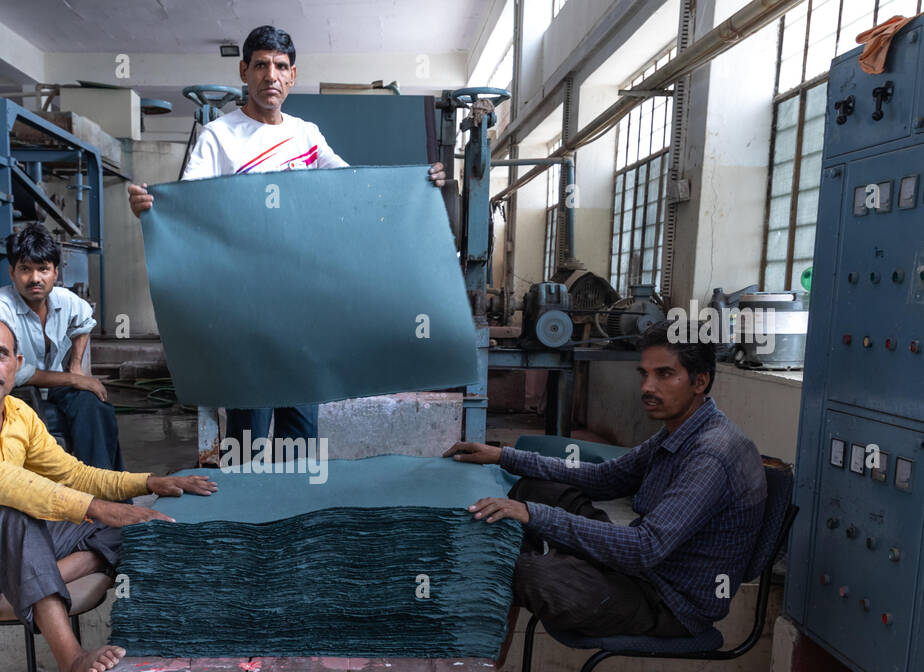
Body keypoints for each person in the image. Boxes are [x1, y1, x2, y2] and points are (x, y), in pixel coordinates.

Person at [127, 24, 446, 460]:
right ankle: (248, 522)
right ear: (244, 71)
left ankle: (298, 521)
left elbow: (355, 186)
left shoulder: (306, 135)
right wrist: (150, 205)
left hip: (303, 306)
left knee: (300, 430)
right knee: (248, 432)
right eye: (260, 65)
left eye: (280, 67)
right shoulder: (219, 137)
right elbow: (187, 206)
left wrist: (416, 183)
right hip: (246, 308)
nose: (270, 76)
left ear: (292, 75)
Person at [0, 315, 216, 672]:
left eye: (0, 354)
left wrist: (149, 482)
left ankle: (36, 575)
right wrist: (96, 507)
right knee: (9, 512)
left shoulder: (20, 414)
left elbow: (73, 474)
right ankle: (73, 663)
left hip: (12, 550)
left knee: (134, 527)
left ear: (17, 362)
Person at [445, 322, 766, 639]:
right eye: (644, 373)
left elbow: (645, 547)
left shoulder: (711, 454)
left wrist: (534, 516)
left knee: (527, 570)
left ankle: (530, 586)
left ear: (700, 382)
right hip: (641, 570)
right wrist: (504, 456)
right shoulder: (680, 430)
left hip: (668, 601)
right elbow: (604, 479)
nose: (647, 387)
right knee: (533, 488)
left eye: (664, 374)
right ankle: (555, 564)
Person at [0, 223, 124, 470]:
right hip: (10, 393)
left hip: (53, 388)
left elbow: (85, 321)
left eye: (43, 269)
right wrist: (74, 380)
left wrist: (76, 366)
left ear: (55, 273)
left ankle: (107, 493)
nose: (35, 278)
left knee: (98, 409)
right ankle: (91, 493)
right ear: (12, 273)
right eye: (25, 269)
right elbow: (15, 373)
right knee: (77, 401)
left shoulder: (63, 299)